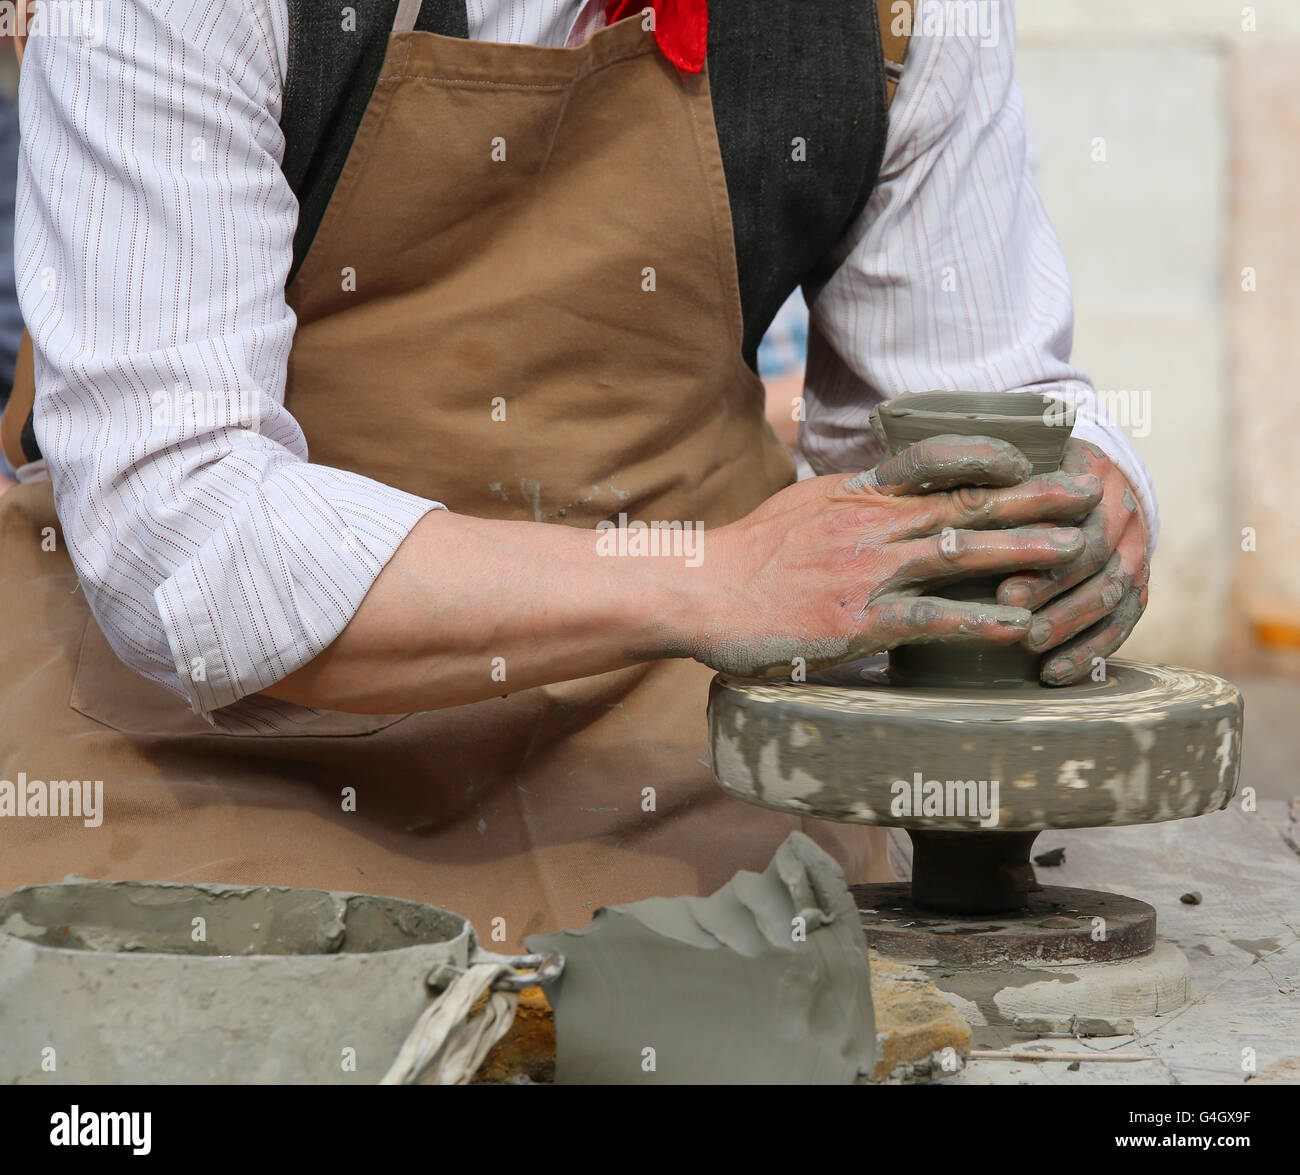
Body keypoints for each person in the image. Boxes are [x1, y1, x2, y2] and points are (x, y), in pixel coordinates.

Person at [0, 1, 1153, 946]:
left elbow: (970, 403)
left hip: (666, 722)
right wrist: (714, 580)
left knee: (791, 1008)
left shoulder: (905, 19)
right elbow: (184, 531)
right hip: (205, 731)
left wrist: (1072, 497)